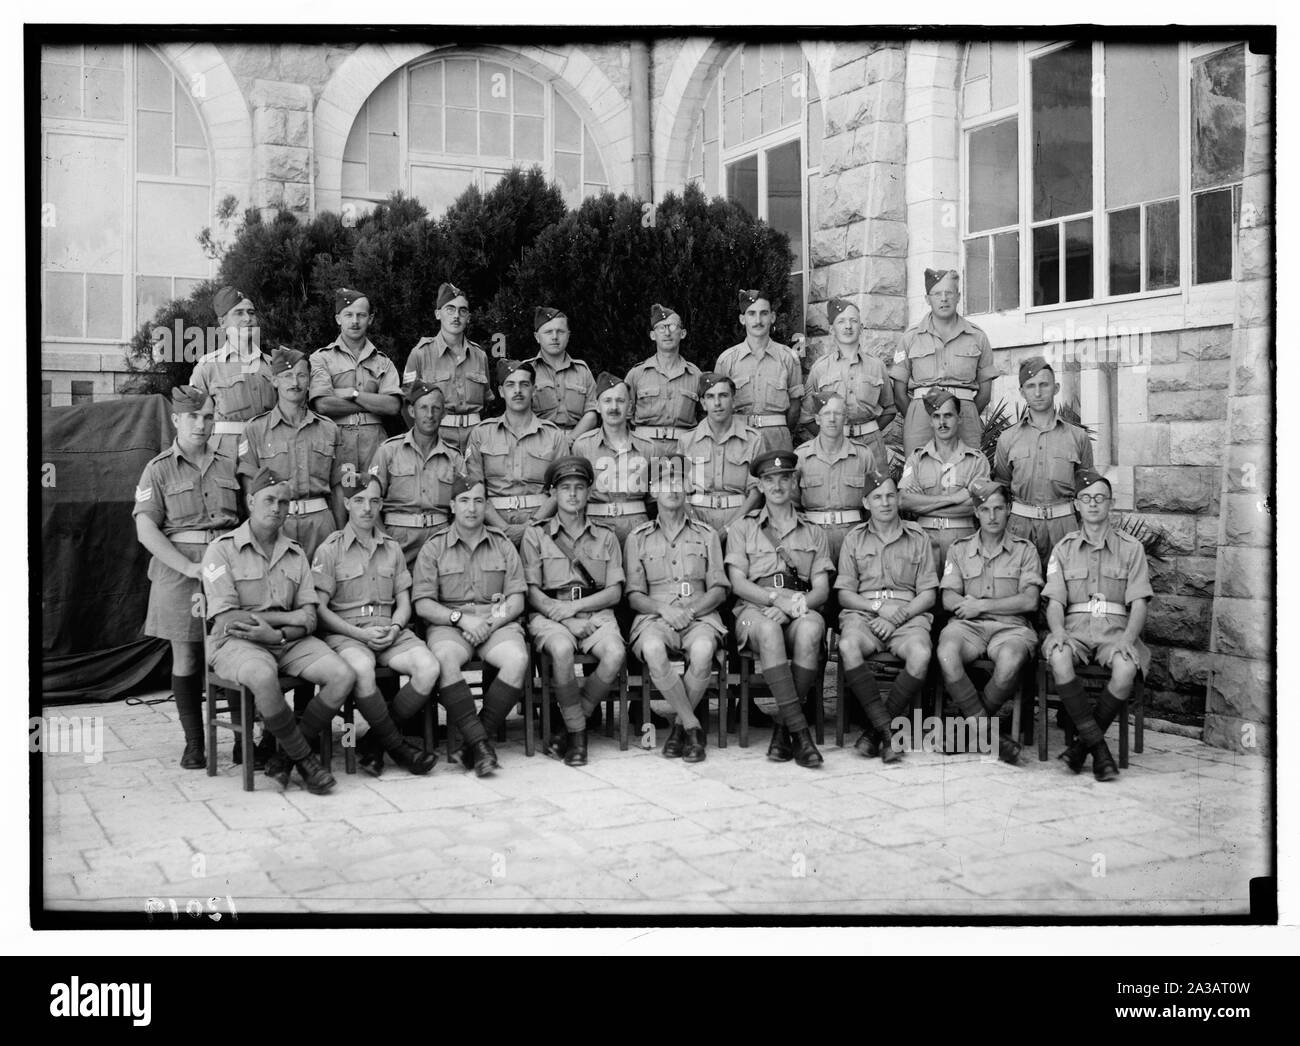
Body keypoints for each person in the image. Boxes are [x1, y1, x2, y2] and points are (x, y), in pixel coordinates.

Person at [201, 467, 357, 794]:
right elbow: (228, 618)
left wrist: (279, 635)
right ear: (250, 501)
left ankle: (284, 756)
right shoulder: (221, 549)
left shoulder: (295, 552)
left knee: (342, 675)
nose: (277, 508)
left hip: (287, 643)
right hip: (236, 643)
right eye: (269, 500)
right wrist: (285, 622)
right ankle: (305, 761)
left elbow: (310, 618)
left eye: (284, 502)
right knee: (261, 676)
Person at [133, 385, 240, 769]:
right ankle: (195, 743)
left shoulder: (230, 464)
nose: (202, 423)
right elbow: (147, 531)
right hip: (180, 570)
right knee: (189, 654)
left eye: (208, 416)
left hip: (227, 565)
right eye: (193, 416)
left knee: (238, 648)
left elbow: (245, 520)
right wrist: (189, 568)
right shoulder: (158, 469)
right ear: (176, 419)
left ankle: (244, 740)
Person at [311, 472, 440, 777]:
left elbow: (404, 601)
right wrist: (357, 633)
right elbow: (319, 609)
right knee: (361, 669)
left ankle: (374, 741)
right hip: (348, 633)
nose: (367, 508)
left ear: (381, 504)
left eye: (374, 500)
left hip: (389, 629)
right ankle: (398, 747)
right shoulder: (330, 549)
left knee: (429, 667)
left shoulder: (392, 548)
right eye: (359, 501)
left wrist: (395, 628)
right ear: (346, 504)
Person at [412, 475, 531, 777]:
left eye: (479, 501)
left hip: (496, 622)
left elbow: (516, 599)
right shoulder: (434, 547)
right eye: (464, 501)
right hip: (451, 625)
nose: (472, 508)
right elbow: (424, 604)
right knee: (444, 659)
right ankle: (480, 744)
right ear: (452, 505)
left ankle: (474, 743)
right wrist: (460, 618)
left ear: (486, 505)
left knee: (517, 660)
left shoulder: (503, 544)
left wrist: (490, 622)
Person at [1041, 469, 1153, 783]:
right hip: (1074, 628)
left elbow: (1140, 601)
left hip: (1115, 630)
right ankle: (1099, 752)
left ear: (1110, 504)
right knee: (1059, 658)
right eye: (1086, 499)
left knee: (1126, 670)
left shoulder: (1131, 549)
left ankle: (1082, 748)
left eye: (1100, 498)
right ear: (1076, 504)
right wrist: (1058, 631)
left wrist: (1129, 638)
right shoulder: (1063, 549)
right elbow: (1054, 601)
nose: (1093, 504)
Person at [725, 450, 833, 768]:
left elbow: (821, 589)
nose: (777, 485)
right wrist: (774, 601)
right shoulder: (744, 528)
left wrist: (791, 607)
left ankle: (784, 727)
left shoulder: (813, 531)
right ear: (760, 486)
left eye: (784, 478)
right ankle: (800, 734)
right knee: (770, 630)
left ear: (794, 481)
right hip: (755, 609)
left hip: (796, 606)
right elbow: (738, 583)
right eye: (770, 480)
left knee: (813, 628)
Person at [520, 457, 626, 767]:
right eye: (565, 488)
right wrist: (565, 617)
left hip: (595, 610)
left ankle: (571, 722)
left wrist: (576, 609)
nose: (572, 495)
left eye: (580, 487)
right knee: (562, 649)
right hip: (550, 612)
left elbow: (614, 591)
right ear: (553, 493)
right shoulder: (536, 534)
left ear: (589, 492)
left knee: (615, 653)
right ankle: (579, 736)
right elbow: (532, 591)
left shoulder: (606, 536)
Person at [624, 455, 729, 762]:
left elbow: (719, 590)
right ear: (653, 490)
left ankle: (679, 730)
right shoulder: (637, 537)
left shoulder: (706, 535)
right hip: (655, 617)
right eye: (664, 482)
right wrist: (663, 610)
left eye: (679, 481)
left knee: (702, 651)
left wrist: (691, 612)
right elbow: (633, 595)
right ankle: (692, 727)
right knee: (654, 649)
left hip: (699, 615)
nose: (672, 488)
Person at [836, 469, 938, 763]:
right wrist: (878, 611)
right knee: (847, 645)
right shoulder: (854, 539)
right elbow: (845, 594)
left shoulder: (918, 536)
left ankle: (876, 730)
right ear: (866, 503)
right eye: (877, 497)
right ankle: (886, 732)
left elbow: (928, 594)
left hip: (907, 617)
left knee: (920, 653)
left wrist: (895, 617)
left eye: (891, 496)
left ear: (899, 499)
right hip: (865, 615)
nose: (885, 503)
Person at [936, 480, 1041, 764]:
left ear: (1008, 510)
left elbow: (1030, 601)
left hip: (1011, 628)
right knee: (946, 653)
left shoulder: (1025, 550)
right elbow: (948, 599)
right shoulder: (959, 549)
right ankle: (986, 733)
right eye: (985, 509)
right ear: (976, 512)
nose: (992, 516)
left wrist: (982, 605)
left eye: (998, 509)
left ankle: (967, 732)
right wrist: (969, 609)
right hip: (968, 627)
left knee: (1010, 661)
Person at [237, 347, 344, 562]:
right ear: (275, 381)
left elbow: (339, 487)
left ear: (309, 381)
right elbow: (250, 490)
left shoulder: (329, 429)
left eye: (301, 375)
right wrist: (259, 532)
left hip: (321, 526)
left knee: (324, 589)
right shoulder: (255, 429)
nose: (294, 383)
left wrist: (341, 533)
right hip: (275, 525)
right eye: (287, 376)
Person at [993, 356, 1094, 570]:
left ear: (1056, 388)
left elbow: (1088, 489)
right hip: (1019, 528)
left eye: (1044, 385)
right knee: (1020, 592)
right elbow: (1001, 487)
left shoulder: (1078, 437)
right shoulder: (1008, 438)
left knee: (1064, 591)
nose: (1037, 393)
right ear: (1022, 392)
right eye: (1030, 386)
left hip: (1064, 527)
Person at [889, 269, 996, 456]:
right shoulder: (910, 338)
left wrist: (966, 412)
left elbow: (985, 393)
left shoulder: (977, 337)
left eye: (949, 293)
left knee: (967, 471)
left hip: (964, 416)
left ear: (958, 297)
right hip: (921, 417)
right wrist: (917, 416)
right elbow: (899, 394)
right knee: (918, 474)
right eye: (937, 294)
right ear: (927, 299)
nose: (944, 299)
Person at [465, 359, 568, 545]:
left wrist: (531, 525)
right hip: (493, 527)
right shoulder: (481, 434)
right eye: (510, 385)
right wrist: (503, 529)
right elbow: (475, 488)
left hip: (541, 525)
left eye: (524, 384)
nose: (518, 390)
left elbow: (561, 490)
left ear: (534, 390)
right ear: (501, 392)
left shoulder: (554, 435)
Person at [368, 380, 466, 569]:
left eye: (436, 408)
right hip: (398, 539)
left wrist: (451, 540)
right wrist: (386, 543)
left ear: (444, 413)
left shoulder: (454, 458)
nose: (430, 415)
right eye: (423, 408)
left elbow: (462, 506)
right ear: (412, 412)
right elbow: (370, 503)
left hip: (441, 539)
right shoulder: (388, 451)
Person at [308, 288, 402, 476]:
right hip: (337, 440)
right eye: (348, 315)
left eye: (361, 315)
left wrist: (353, 393)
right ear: (338, 319)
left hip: (375, 443)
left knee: (373, 495)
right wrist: (373, 403)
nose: (355, 321)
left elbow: (392, 406)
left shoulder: (383, 362)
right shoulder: (321, 358)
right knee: (341, 497)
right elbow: (323, 404)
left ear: (371, 319)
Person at [898, 389, 991, 574]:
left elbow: (978, 505)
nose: (942, 422)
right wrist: (955, 498)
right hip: (923, 540)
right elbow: (903, 501)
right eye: (936, 416)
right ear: (930, 421)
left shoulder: (977, 460)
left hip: (965, 540)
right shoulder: (916, 459)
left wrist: (922, 501)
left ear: (959, 418)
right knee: (927, 597)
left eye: (948, 415)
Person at [403, 282, 495, 454]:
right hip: (437, 435)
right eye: (450, 309)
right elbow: (406, 403)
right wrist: (422, 437)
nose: (456, 316)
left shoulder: (479, 355)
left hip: (476, 438)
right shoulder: (420, 354)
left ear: (468, 317)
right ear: (438, 314)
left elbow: (487, 401)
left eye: (462, 310)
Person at [800, 297, 896, 462]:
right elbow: (807, 416)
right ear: (832, 330)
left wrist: (871, 431)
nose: (848, 326)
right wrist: (828, 436)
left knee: (878, 487)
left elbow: (890, 409)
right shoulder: (820, 368)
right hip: (833, 445)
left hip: (871, 446)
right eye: (841, 321)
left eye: (853, 321)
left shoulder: (877, 366)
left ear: (861, 328)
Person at [188, 286, 277, 459]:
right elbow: (193, 420)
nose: (247, 319)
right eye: (239, 313)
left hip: (268, 452)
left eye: (251, 313)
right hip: (225, 457)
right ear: (222, 323)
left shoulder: (273, 365)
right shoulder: (208, 367)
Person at [793, 391, 882, 563]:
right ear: (817, 419)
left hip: (855, 537)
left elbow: (874, 503)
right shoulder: (801, 456)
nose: (832, 419)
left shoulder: (863, 455)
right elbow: (792, 505)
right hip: (813, 538)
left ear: (846, 418)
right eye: (826, 413)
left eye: (838, 413)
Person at [713, 289, 804, 452]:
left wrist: (777, 428)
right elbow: (717, 404)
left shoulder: (788, 358)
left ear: (772, 317)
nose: (758, 320)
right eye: (751, 314)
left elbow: (795, 407)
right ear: (742, 319)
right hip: (738, 439)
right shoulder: (726, 360)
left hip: (777, 440)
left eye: (763, 313)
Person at [570, 372, 655, 545]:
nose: (614, 407)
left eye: (620, 401)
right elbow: (575, 497)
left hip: (638, 528)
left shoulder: (649, 447)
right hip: (595, 527)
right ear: (598, 406)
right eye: (607, 401)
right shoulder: (582, 446)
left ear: (630, 407)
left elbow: (655, 501)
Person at [678, 372, 763, 535]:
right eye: (710, 397)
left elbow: (756, 492)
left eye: (723, 395)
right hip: (696, 521)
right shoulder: (686, 441)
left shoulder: (753, 439)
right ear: (703, 403)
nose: (717, 403)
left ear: (734, 401)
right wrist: (696, 526)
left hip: (740, 522)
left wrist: (729, 529)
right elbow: (679, 490)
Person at [625, 303, 702, 458]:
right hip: (644, 448)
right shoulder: (637, 374)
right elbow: (624, 416)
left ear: (683, 333)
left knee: (682, 483)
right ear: (653, 335)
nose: (667, 333)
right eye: (661, 328)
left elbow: (705, 417)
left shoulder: (696, 375)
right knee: (642, 483)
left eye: (673, 327)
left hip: (684, 449)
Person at [528, 306, 599, 440]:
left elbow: (592, 413)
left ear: (568, 335)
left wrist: (570, 439)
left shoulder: (582, 370)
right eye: (548, 332)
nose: (555, 337)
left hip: (578, 441)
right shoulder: (526, 371)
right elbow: (520, 413)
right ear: (537, 337)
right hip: (537, 441)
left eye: (560, 331)